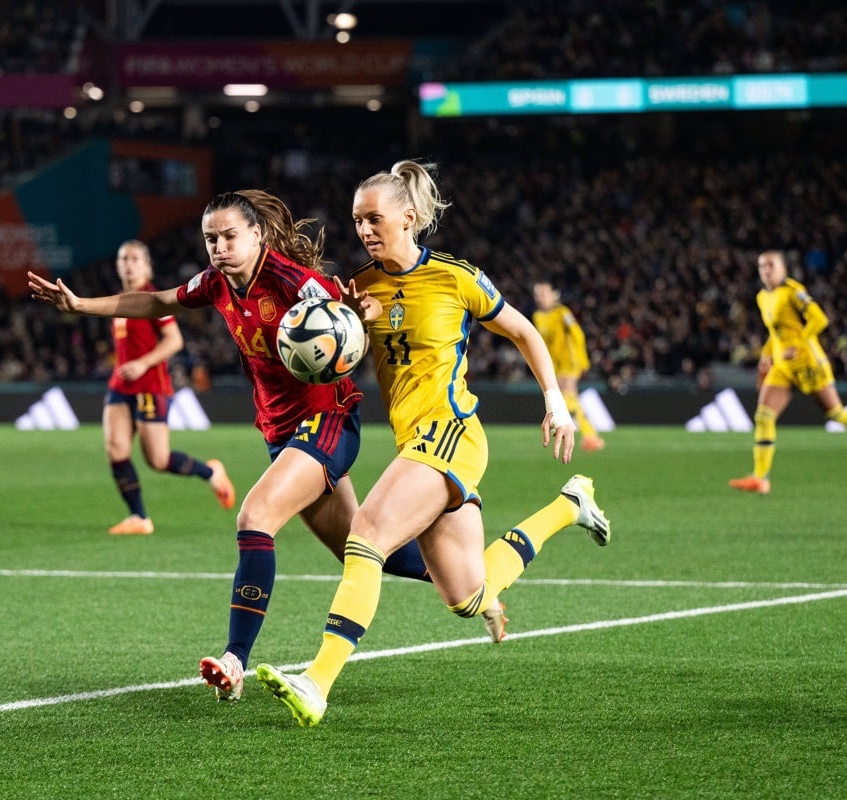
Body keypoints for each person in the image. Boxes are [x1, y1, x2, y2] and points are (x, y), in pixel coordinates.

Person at [28, 190, 487, 704]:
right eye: (210, 239)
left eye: (228, 236)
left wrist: (357, 314)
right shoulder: (216, 284)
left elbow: (348, 323)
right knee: (364, 551)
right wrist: (79, 304)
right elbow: (157, 302)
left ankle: (233, 660)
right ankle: (478, 582)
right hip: (280, 433)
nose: (219, 247)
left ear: (257, 235)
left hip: (327, 422)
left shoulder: (294, 282)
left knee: (254, 516)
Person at [255, 160, 611, 727]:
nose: (365, 230)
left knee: (366, 536)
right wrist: (350, 321)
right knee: (467, 597)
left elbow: (522, 330)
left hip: (451, 432)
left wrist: (555, 400)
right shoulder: (359, 288)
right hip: (414, 443)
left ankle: (316, 682)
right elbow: (332, 363)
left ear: (410, 217)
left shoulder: (455, 277)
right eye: (357, 221)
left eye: (375, 219)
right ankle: (569, 506)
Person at [729, 249, 847, 494]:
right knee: (764, 416)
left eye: (771, 265)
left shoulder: (793, 291)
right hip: (783, 366)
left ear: (782, 269)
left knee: (836, 413)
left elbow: (820, 319)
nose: (766, 270)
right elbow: (776, 333)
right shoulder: (762, 297)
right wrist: (766, 356)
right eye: (762, 266)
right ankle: (760, 477)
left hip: (809, 363)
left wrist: (797, 345)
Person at [102, 240, 235, 535]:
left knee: (158, 460)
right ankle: (139, 517)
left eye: (135, 258)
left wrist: (143, 363)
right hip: (120, 386)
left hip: (150, 385)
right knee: (116, 449)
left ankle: (211, 472)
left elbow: (174, 340)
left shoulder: (152, 299)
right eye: (123, 258)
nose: (128, 263)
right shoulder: (118, 300)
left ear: (147, 265)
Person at [532, 280, 605, 452]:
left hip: (569, 362)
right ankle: (587, 434)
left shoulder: (562, 313)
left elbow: (577, 334)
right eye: (537, 294)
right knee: (567, 399)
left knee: (568, 395)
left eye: (543, 293)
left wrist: (581, 360)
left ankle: (590, 435)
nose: (540, 297)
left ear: (552, 295)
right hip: (554, 365)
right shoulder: (537, 317)